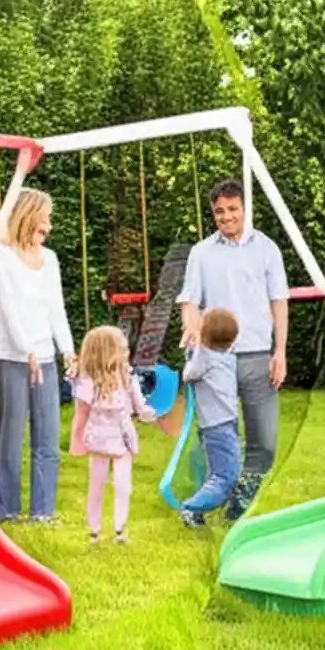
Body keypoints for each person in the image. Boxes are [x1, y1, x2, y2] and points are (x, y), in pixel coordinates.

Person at [176, 179, 288, 521]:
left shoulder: (266, 249)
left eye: (233, 209)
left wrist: (280, 351)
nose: (226, 217)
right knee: (217, 436)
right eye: (219, 211)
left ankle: (238, 507)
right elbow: (189, 301)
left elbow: (279, 301)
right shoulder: (202, 252)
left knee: (264, 442)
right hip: (214, 358)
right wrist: (193, 331)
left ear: (245, 208)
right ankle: (205, 501)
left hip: (257, 354)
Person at [0, 187, 77, 524]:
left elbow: (56, 310)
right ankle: (6, 511)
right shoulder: (2, 257)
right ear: (28, 216)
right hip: (11, 358)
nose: (49, 226)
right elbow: (8, 312)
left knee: (48, 436)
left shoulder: (49, 259)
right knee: (9, 438)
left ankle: (43, 513)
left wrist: (66, 350)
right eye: (45, 218)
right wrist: (27, 351)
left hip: (45, 357)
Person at [69, 326, 158, 545]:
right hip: (99, 437)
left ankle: (120, 528)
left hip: (122, 435)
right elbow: (82, 410)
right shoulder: (88, 381)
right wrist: (77, 439)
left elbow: (139, 405)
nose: (126, 353)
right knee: (97, 485)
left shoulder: (126, 377)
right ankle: (95, 530)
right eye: (122, 349)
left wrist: (149, 414)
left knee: (123, 485)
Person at [178, 308, 242, 528]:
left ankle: (213, 508)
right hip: (217, 426)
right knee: (225, 476)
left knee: (227, 471)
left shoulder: (225, 355)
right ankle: (191, 507)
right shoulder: (206, 357)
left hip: (227, 422)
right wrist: (195, 349)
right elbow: (188, 374)